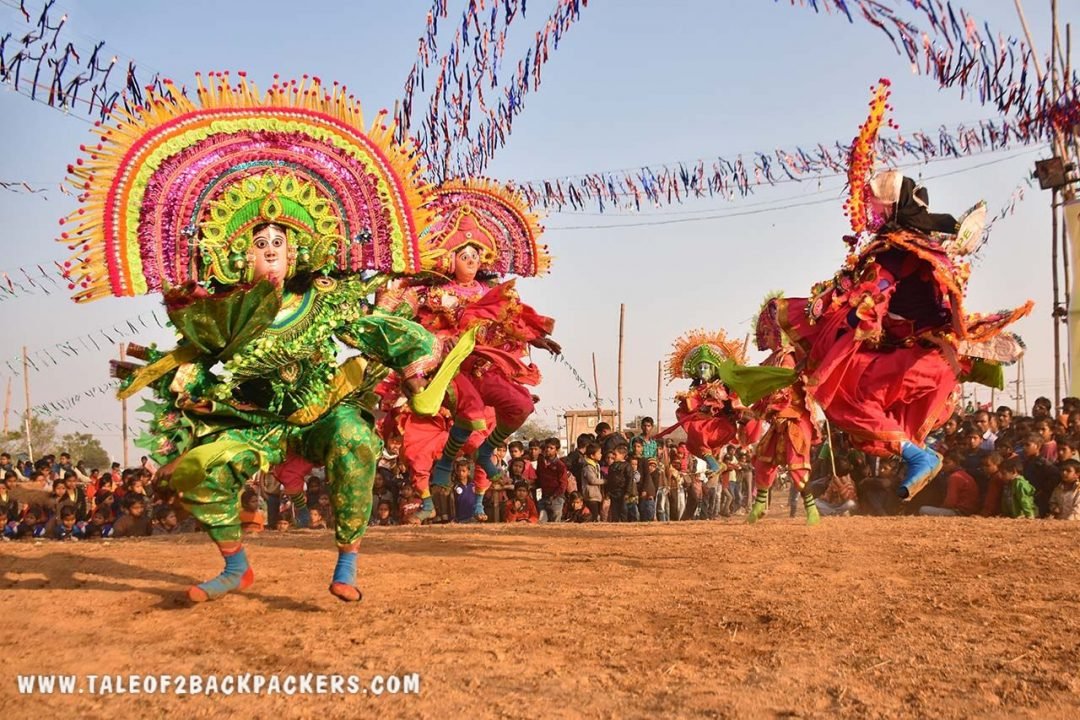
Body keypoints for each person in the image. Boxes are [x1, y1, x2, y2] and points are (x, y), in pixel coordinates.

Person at [70, 75, 481, 603]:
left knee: (356, 441)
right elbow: (196, 361)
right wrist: (176, 377)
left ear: (295, 254)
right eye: (258, 243)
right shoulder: (223, 314)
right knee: (196, 470)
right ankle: (235, 566)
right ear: (239, 253)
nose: (268, 250)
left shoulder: (325, 299)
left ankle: (347, 562)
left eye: (277, 243)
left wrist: (415, 365)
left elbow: (378, 331)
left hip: (321, 414)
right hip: (256, 420)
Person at [767, 84, 1031, 504]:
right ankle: (915, 454)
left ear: (891, 211)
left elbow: (871, 304)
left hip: (916, 359)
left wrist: (834, 316)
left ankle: (918, 455)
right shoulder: (925, 253)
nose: (870, 215)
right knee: (850, 399)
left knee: (841, 395)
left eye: (877, 208)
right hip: (930, 361)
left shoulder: (896, 255)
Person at [376, 180, 560, 522]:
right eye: (465, 255)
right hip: (448, 370)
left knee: (519, 406)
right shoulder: (434, 291)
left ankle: (483, 455)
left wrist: (537, 339)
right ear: (451, 258)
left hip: (484, 366)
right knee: (457, 423)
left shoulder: (490, 291)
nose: (472, 260)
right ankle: (433, 489)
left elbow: (512, 320)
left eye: (476, 255)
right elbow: (400, 313)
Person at [918, 450, 981, 516]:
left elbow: (950, 502)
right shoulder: (964, 474)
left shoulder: (954, 477)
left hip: (960, 512)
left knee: (923, 509)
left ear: (956, 463)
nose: (943, 465)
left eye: (946, 463)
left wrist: (941, 508)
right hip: (968, 511)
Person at [536, 438, 570, 523]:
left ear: (556, 450)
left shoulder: (560, 465)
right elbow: (538, 476)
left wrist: (554, 496)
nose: (548, 450)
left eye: (551, 448)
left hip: (556, 498)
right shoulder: (541, 462)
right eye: (547, 447)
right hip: (544, 497)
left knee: (555, 523)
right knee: (541, 522)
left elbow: (563, 484)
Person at [605, 444, 633, 522]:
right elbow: (610, 480)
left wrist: (627, 492)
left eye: (615, 454)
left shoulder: (627, 466)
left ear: (623, 455)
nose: (613, 456)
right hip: (613, 492)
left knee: (623, 510)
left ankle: (624, 524)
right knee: (614, 511)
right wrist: (608, 491)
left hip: (622, 492)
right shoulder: (612, 466)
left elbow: (630, 479)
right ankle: (615, 524)